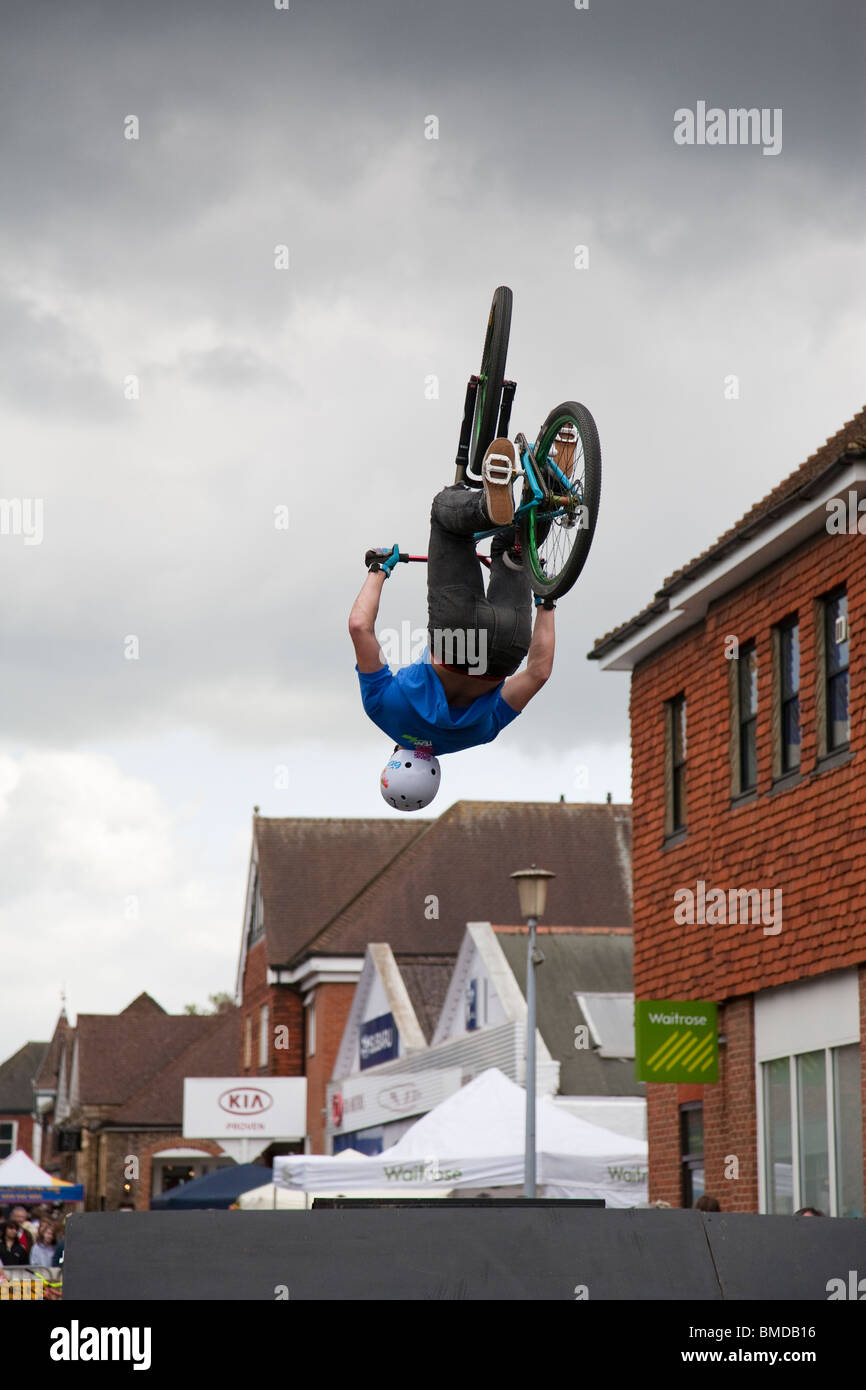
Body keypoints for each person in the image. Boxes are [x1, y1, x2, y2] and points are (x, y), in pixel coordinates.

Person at [350, 440, 556, 810]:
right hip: (455, 637)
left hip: (511, 643)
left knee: (513, 550)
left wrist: (546, 599)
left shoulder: (479, 735)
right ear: (393, 758)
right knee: (446, 520)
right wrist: (379, 569)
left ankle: (553, 489)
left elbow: (539, 673)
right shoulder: (382, 711)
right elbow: (359, 626)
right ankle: (485, 507)